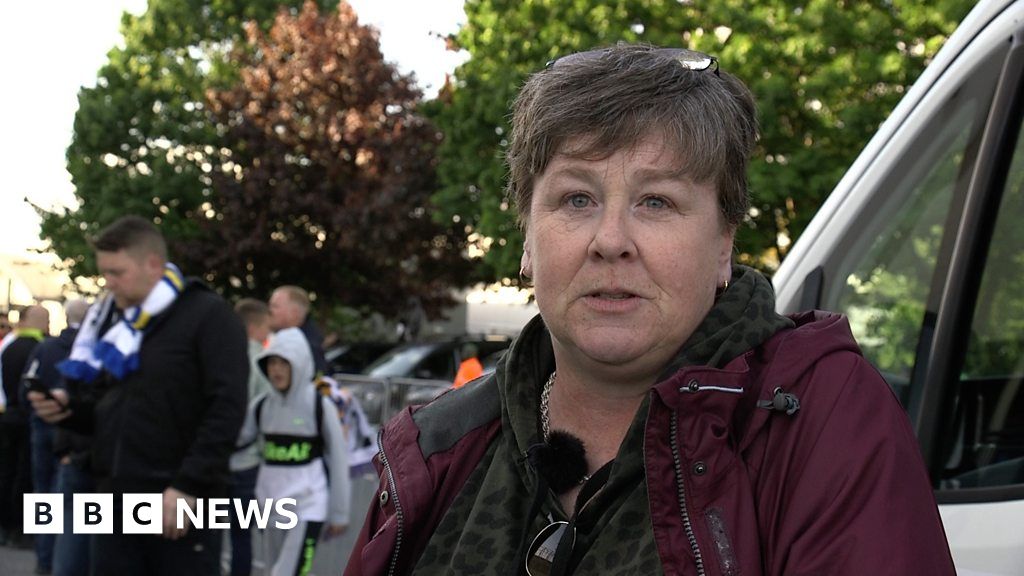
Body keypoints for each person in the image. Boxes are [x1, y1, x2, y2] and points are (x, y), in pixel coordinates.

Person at [344, 43, 956, 576]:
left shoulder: (818, 422)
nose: (611, 239)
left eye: (657, 201)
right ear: (527, 239)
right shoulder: (438, 450)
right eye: (577, 198)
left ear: (724, 245)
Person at [28, 215, 248, 575]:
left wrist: (187, 486)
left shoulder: (209, 315)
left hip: (177, 500)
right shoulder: (122, 324)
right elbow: (111, 407)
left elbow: (227, 408)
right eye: (105, 273)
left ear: (153, 265)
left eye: (117, 272)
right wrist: (69, 412)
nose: (108, 283)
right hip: (115, 497)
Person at [235, 327, 349, 576]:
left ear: (299, 364)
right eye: (272, 363)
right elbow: (236, 442)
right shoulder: (261, 405)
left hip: (309, 505)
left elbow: (339, 459)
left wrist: (339, 512)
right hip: (269, 506)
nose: (276, 370)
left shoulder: (321, 405)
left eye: (284, 363)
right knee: (273, 570)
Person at [23, 299, 88, 575]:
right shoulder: (90, 349)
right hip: (77, 433)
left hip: (44, 427)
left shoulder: (47, 347)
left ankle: (44, 556)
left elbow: (25, 387)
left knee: (44, 494)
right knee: (69, 502)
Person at [228, 298, 273, 576]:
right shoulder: (261, 362)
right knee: (242, 537)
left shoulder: (220, 356)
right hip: (248, 463)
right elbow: (266, 414)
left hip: (215, 461)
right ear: (255, 326)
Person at [0, 305, 48, 550]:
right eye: (45, 319)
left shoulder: (8, 346)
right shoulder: (42, 349)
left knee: (7, 470)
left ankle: (6, 525)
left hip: (7, 416)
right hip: (29, 418)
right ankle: (21, 529)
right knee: (27, 473)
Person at [268, 285, 328, 375]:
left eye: (275, 306)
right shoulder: (280, 337)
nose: (269, 311)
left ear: (294, 313)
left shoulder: (308, 347)